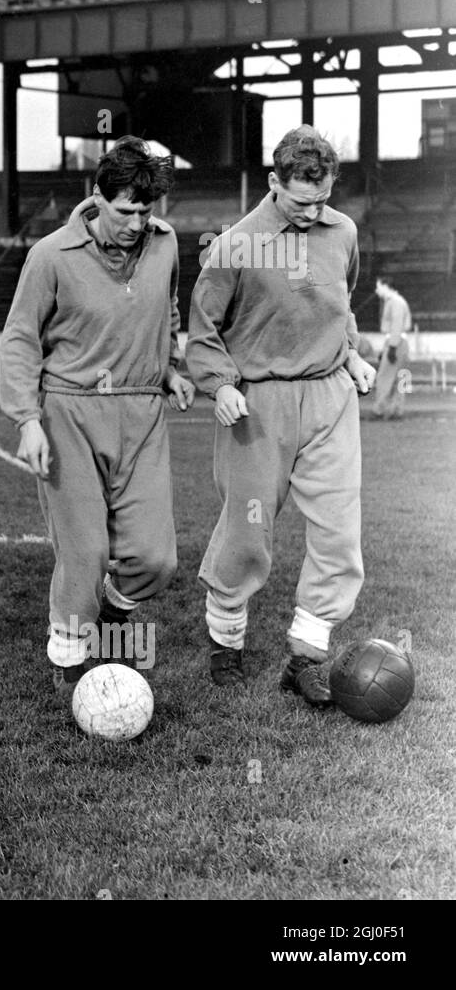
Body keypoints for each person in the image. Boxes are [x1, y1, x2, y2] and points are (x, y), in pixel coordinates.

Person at [0, 135, 194, 698]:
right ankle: (68, 657)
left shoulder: (165, 244)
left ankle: (114, 609)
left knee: (156, 559)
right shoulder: (49, 256)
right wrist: (27, 419)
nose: (136, 222)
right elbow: (19, 339)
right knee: (85, 550)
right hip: (68, 412)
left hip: (143, 410)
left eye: (145, 210)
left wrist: (171, 367)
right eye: (126, 210)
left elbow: (170, 307)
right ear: (97, 197)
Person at [187, 125, 376, 706]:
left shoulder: (342, 231)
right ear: (274, 182)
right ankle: (226, 646)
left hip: (329, 399)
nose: (311, 211)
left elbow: (338, 302)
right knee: (247, 534)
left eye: (321, 199)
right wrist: (219, 385)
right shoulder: (234, 245)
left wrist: (352, 355)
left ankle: (305, 659)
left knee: (339, 534)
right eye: (299, 200)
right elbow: (201, 331)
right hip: (258, 405)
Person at [372, 275, 412, 419]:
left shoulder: (394, 302)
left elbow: (396, 325)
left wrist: (392, 347)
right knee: (400, 378)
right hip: (401, 342)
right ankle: (396, 410)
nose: (377, 291)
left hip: (396, 342)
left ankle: (380, 410)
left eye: (378, 287)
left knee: (384, 377)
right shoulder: (400, 301)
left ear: (385, 286)